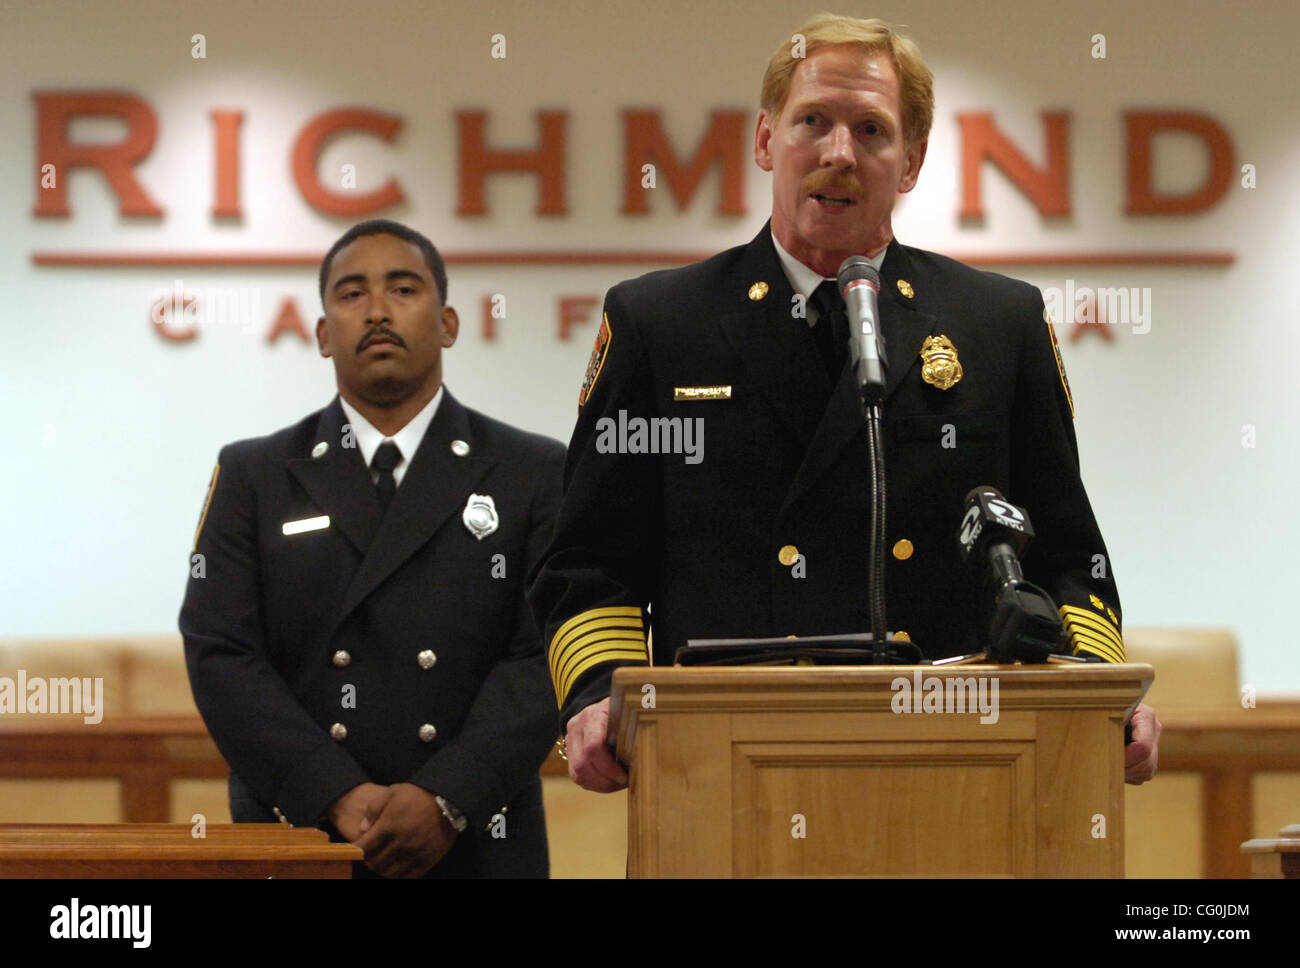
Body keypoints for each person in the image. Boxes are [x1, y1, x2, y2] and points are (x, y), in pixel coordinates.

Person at [529, 14, 1160, 795]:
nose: (838, 153)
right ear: (766, 140)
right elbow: (590, 562)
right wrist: (598, 694)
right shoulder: (661, 323)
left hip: (957, 764)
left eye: (870, 130)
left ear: (911, 162)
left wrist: (1096, 692)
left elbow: (1068, 560)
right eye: (812, 122)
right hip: (722, 765)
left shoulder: (998, 323)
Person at [180, 219, 564, 877]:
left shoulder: (532, 469)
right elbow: (221, 652)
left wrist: (447, 796)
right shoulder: (255, 474)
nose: (378, 310)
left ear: (448, 323)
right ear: (323, 334)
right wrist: (331, 791)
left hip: (476, 835)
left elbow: (545, 652)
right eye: (352, 293)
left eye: (404, 289)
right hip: (303, 832)